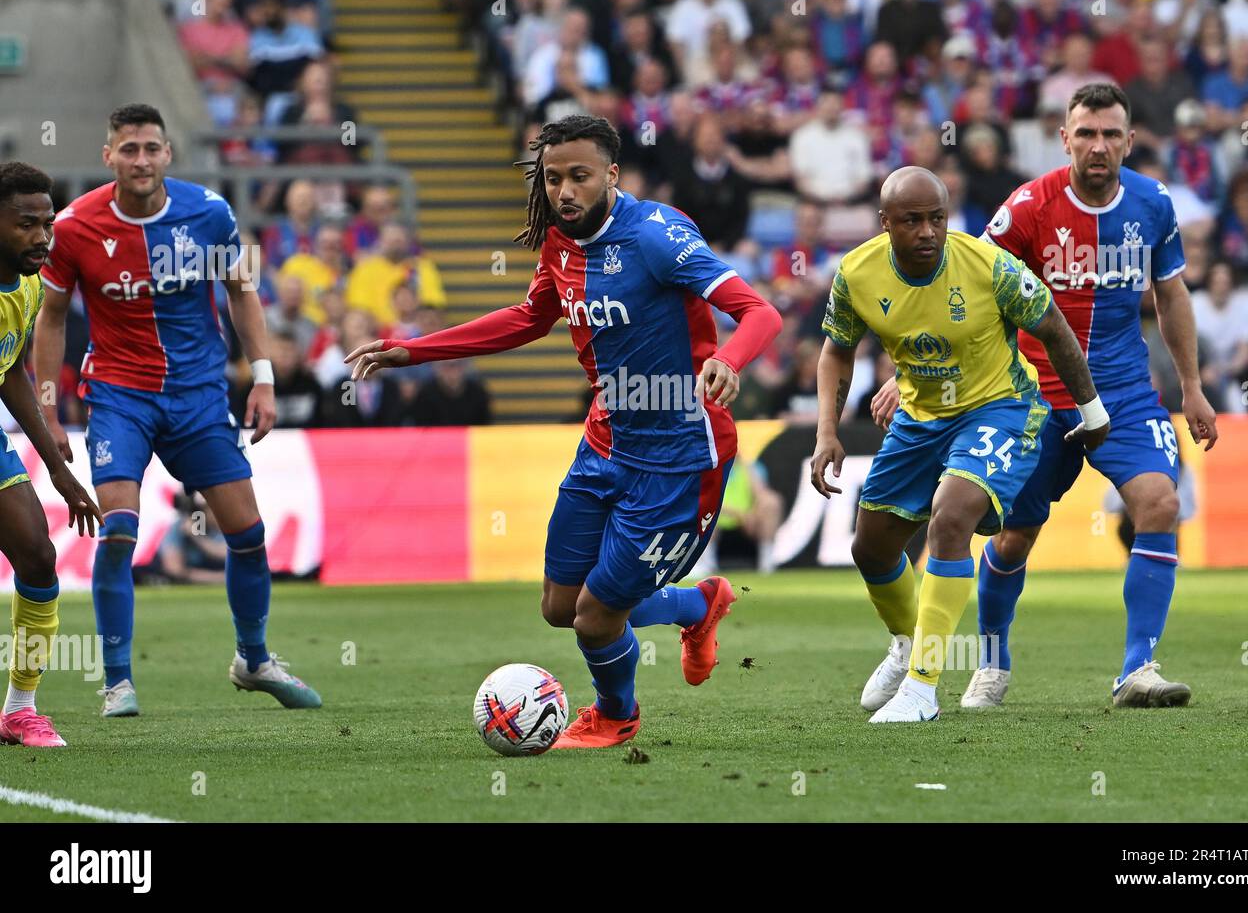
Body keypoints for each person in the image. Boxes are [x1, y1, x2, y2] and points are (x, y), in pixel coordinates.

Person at [346, 115, 782, 748]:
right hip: (603, 445)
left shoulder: (657, 236)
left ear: (611, 173)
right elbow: (528, 318)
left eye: (579, 176)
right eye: (553, 179)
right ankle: (697, 604)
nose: (564, 192)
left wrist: (729, 360)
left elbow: (758, 312)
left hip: (681, 456)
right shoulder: (559, 242)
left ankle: (616, 714)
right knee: (560, 607)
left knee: (595, 618)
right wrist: (415, 351)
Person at [875, 84, 1219, 709]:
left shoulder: (1154, 203)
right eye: (1086, 133)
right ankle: (992, 660)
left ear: (1130, 141)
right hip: (1032, 395)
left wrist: (1192, 387)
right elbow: (963, 286)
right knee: (1015, 536)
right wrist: (913, 375)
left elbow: (1170, 295)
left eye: (1111, 134)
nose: (1098, 146)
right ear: (1064, 139)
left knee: (1160, 503)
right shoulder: (1028, 207)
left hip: (1123, 394)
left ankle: (1137, 668)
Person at [35, 104, 320, 718]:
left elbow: (242, 292)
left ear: (168, 154)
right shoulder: (74, 227)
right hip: (118, 397)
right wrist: (49, 409)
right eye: (129, 148)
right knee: (117, 531)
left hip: (199, 397)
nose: (141, 159)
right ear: (108, 155)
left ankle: (253, 658)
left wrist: (263, 377)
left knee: (247, 534)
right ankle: (117, 682)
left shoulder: (209, 214)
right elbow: (51, 318)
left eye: (152, 149)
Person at [812, 166, 1107, 724]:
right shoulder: (856, 272)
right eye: (912, 220)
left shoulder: (988, 265)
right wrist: (827, 431)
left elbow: (1054, 328)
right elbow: (836, 350)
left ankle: (923, 686)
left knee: (951, 519)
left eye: (937, 218)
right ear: (886, 224)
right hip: (921, 417)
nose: (927, 231)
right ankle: (906, 645)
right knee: (870, 547)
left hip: (1000, 407)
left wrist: (1093, 412)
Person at [0, 162, 103, 747]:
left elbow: (11, 369)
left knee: (38, 557)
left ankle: (19, 710)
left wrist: (62, 475)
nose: (42, 237)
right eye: (25, 225)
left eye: (47, 224)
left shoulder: (30, 284)